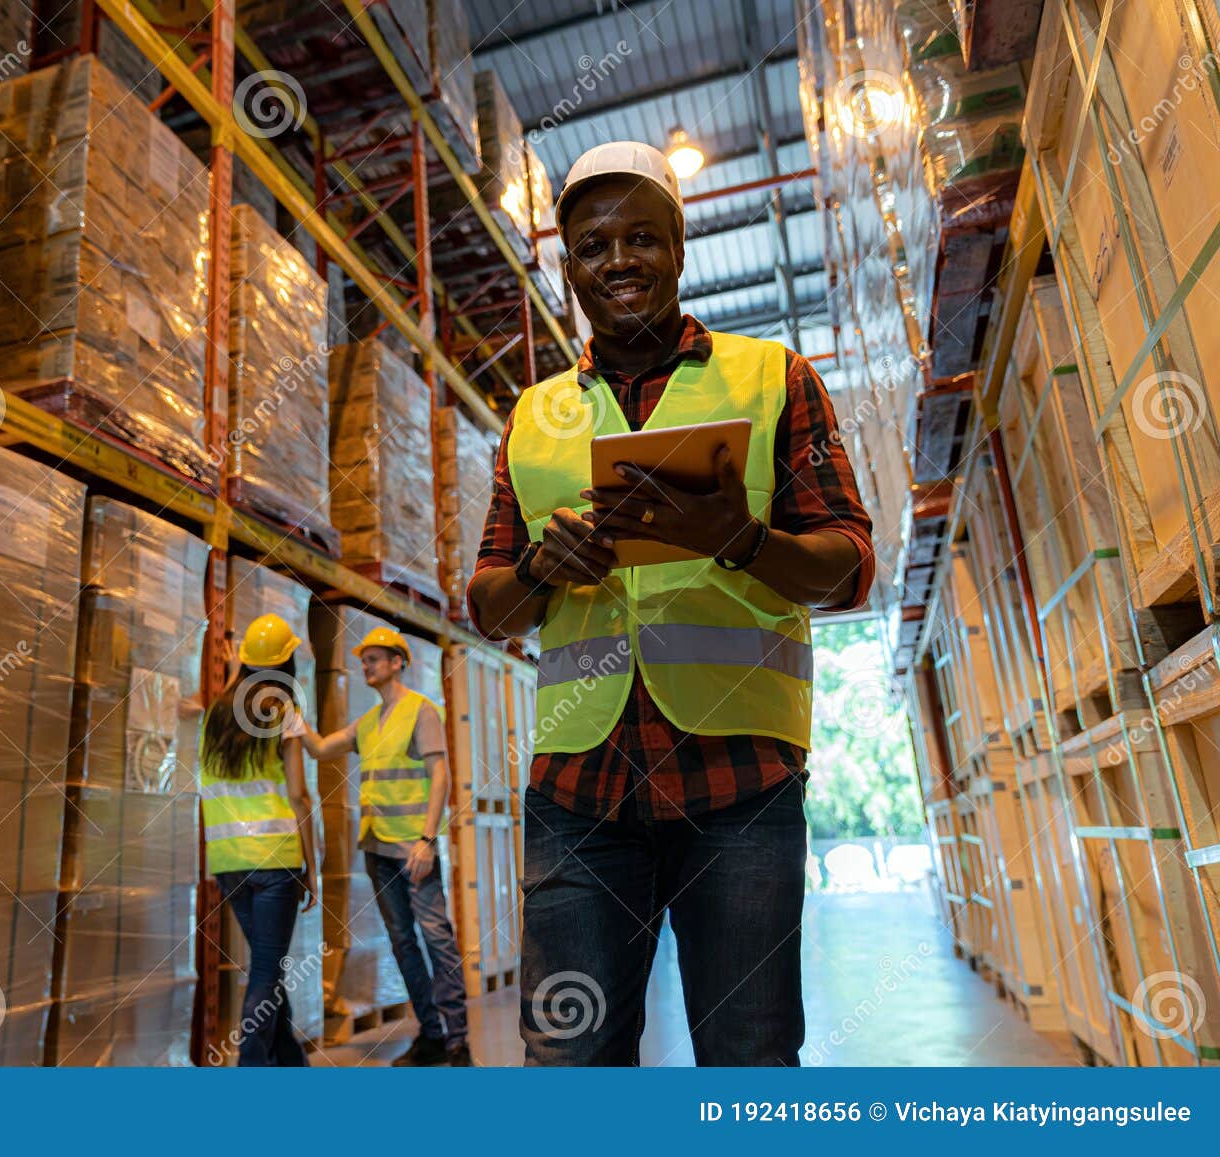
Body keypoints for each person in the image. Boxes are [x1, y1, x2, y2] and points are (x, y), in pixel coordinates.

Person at [467, 141, 876, 1066]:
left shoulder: (774, 379)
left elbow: (851, 566)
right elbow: (489, 603)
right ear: (567, 264)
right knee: (569, 1061)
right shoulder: (532, 419)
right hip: (579, 793)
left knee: (749, 1057)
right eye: (594, 245)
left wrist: (743, 538)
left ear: (681, 244)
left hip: (740, 789)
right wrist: (540, 567)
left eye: (642, 238)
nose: (619, 261)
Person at [297, 628, 471, 1067]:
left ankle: (458, 1041)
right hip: (377, 849)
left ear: (397, 662)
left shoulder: (421, 712)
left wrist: (428, 839)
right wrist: (292, 718)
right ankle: (431, 1035)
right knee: (401, 942)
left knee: (436, 939)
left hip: (414, 847)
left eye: (374, 658)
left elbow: (441, 776)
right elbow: (319, 749)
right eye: (364, 659)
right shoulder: (369, 723)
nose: (366, 666)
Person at [198, 612, 320, 1066]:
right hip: (275, 863)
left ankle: (291, 1065)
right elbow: (300, 796)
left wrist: (233, 673)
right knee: (267, 974)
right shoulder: (281, 713)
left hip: (229, 863)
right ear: (286, 665)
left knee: (269, 970)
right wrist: (313, 867)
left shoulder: (214, 717)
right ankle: (250, 1065)